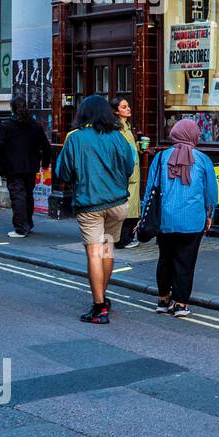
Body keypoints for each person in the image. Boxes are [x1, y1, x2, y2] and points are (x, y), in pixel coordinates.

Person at [54, 94, 136, 324]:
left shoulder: (75, 138)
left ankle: (99, 307)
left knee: (94, 253)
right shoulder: (119, 137)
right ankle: (103, 296)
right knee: (108, 249)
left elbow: (63, 172)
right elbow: (130, 167)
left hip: (90, 204)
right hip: (118, 203)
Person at [143, 118, 217, 318]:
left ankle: (163, 300)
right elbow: (210, 193)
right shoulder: (202, 159)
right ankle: (181, 303)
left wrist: (143, 217)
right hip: (192, 220)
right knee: (185, 261)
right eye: (197, 132)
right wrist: (210, 215)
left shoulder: (160, 158)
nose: (199, 135)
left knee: (165, 259)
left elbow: (150, 190)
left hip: (165, 220)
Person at [0, 93, 53, 238]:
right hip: (31, 167)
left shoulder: (6, 126)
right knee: (27, 195)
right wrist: (44, 163)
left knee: (18, 196)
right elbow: (47, 147)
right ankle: (28, 223)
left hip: (12, 167)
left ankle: (20, 228)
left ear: (12, 109)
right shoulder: (35, 126)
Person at [111, 94, 142, 249]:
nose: (128, 108)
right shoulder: (118, 129)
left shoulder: (127, 126)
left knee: (132, 206)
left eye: (128, 106)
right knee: (126, 207)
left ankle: (127, 237)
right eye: (124, 107)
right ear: (116, 111)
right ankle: (123, 239)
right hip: (126, 173)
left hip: (133, 172)